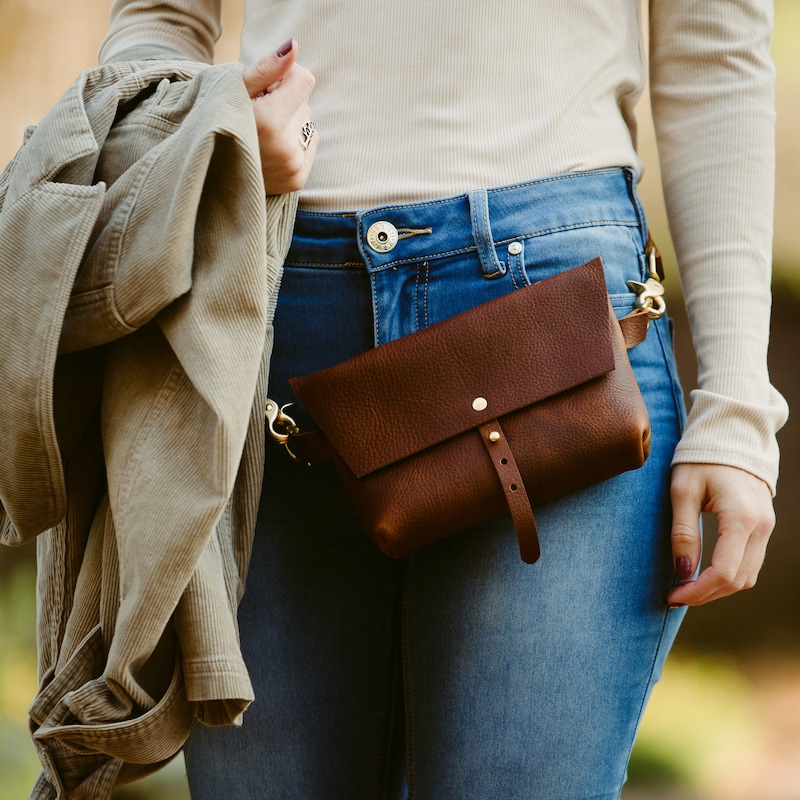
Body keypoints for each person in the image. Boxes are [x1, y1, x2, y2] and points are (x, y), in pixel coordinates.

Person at [98, 2, 788, 798]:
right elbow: (157, 20)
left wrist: (736, 403)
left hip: (550, 325)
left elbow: (715, 50)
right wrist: (209, 134)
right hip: (264, 311)